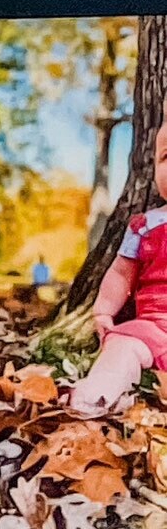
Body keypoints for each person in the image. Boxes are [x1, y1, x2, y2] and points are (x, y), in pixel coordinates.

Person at [72, 119, 167, 416]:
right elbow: (120, 273)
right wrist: (103, 310)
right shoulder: (146, 225)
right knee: (122, 346)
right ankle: (98, 394)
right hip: (153, 329)